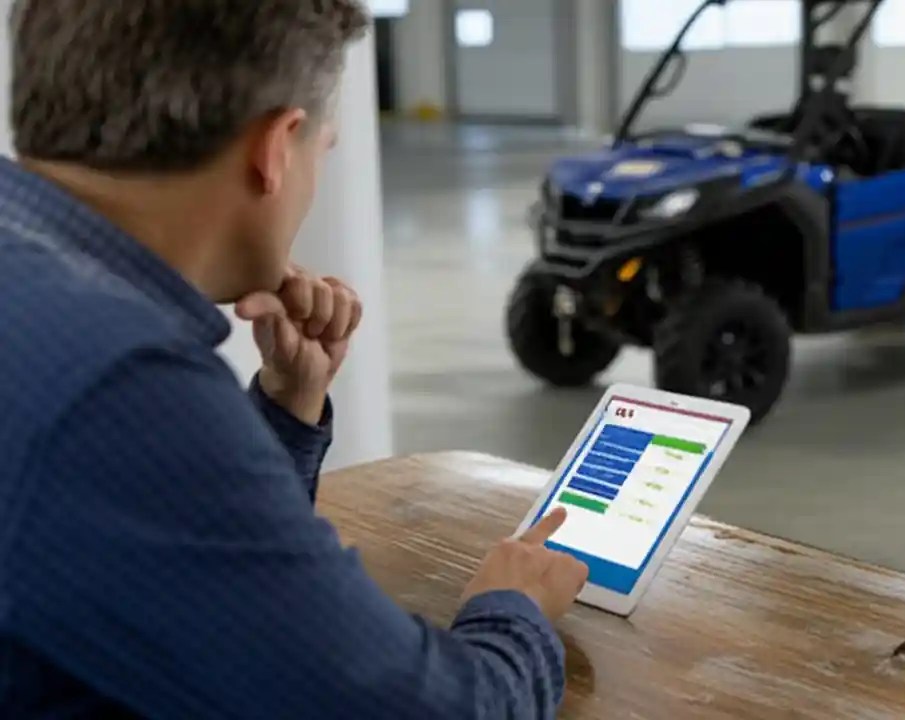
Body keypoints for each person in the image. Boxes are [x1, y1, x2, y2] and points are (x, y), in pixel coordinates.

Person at [0, 1, 589, 718]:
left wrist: (286, 407)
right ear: (276, 148)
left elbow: (192, 576)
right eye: (324, 147)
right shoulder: (117, 379)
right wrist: (514, 611)